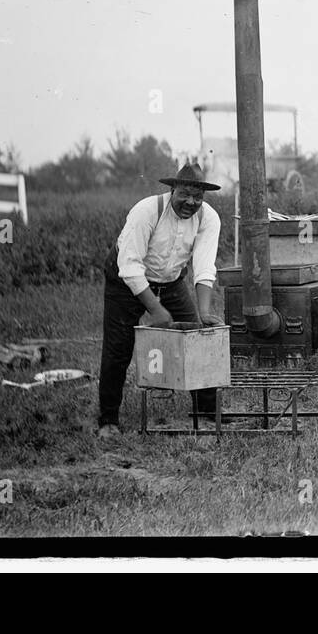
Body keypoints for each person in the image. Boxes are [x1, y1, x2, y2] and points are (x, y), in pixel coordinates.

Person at [97, 163, 223, 438]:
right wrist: (155, 310)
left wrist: (203, 311)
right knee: (118, 348)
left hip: (171, 282)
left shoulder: (208, 218)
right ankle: (108, 421)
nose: (191, 202)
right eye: (185, 194)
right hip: (125, 281)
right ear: (172, 190)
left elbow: (204, 266)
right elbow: (129, 266)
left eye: (198, 197)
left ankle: (206, 415)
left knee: (199, 340)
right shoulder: (147, 210)